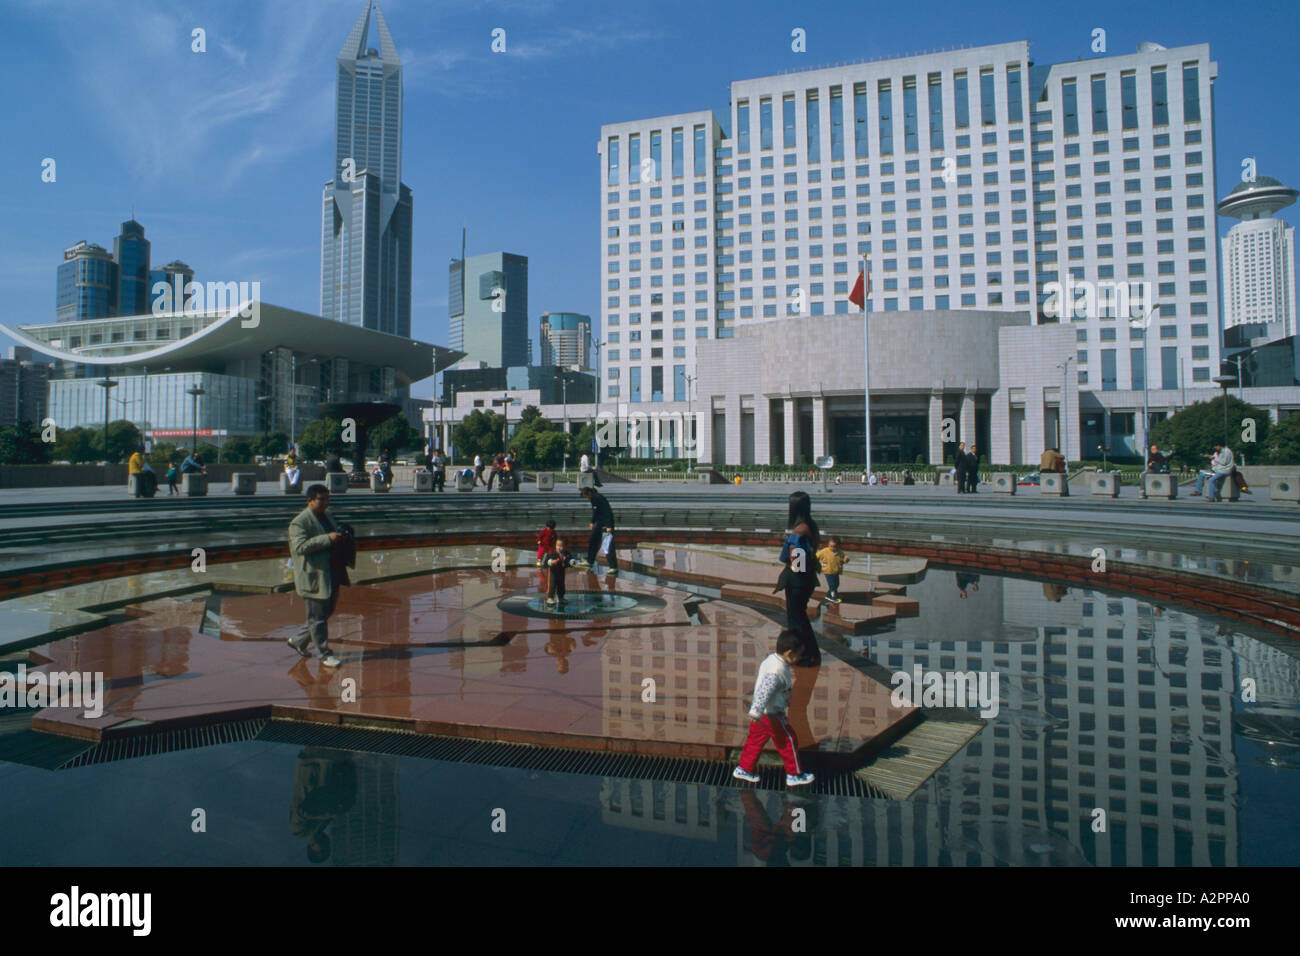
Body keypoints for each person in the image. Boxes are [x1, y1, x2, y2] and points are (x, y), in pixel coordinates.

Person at [732, 629, 815, 788]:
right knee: (788, 741)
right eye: (799, 655)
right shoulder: (777, 670)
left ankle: (744, 769)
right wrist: (755, 711)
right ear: (789, 653)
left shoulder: (772, 659)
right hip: (770, 714)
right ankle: (794, 774)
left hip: (763, 715)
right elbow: (765, 690)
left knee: (755, 741)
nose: (799, 659)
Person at [286, 484, 348, 668]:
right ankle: (324, 654)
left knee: (325, 613)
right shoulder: (300, 522)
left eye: (327, 499)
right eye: (321, 499)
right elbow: (300, 547)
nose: (325, 503)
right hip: (314, 576)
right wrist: (327, 538)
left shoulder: (327, 515)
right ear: (310, 501)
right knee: (318, 618)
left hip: (332, 571)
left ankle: (297, 640)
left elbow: (333, 533)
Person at [777, 490, 820, 666]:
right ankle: (809, 652)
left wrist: (793, 565)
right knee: (799, 616)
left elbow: (798, 561)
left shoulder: (799, 531)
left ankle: (805, 653)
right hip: (806, 578)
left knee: (796, 618)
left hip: (797, 580)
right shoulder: (811, 526)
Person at [579, 486, 618, 574]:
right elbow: (595, 512)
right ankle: (590, 561)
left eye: (585, 496)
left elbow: (608, 512)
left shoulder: (598, 498)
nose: (586, 498)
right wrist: (592, 522)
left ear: (589, 493)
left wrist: (609, 525)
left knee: (608, 545)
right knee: (593, 540)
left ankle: (613, 567)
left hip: (606, 524)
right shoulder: (593, 499)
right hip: (599, 523)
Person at [544, 535, 575, 606]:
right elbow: (546, 561)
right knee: (552, 584)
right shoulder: (553, 553)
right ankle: (550, 597)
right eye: (557, 545)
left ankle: (561, 597)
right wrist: (551, 562)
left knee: (561, 585)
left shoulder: (566, 553)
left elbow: (570, 559)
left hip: (561, 571)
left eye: (561, 546)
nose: (559, 548)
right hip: (553, 572)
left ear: (566, 546)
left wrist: (572, 561)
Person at [816, 536, 847, 604]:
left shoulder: (840, 553)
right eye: (830, 546)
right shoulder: (824, 551)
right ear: (828, 545)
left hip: (836, 571)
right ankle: (834, 597)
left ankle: (828, 595)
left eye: (834, 546)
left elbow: (841, 561)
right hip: (828, 571)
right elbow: (816, 556)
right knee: (832, 585)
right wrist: (817, 564)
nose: (832, 548)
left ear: (838, 546)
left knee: (836, 584)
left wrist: (845, 561)